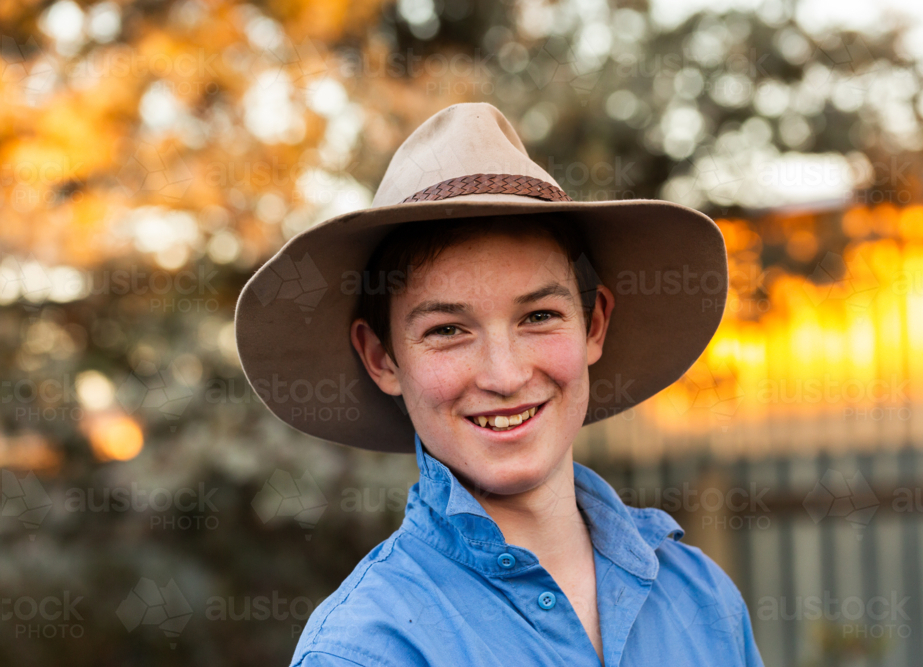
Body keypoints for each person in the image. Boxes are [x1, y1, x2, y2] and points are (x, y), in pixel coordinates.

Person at [235, 102, 764, 666]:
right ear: (382, 358)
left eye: (538, 317)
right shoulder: (367, 649)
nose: (506, 375)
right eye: (447, 330)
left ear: (595, 325)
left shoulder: (699, 598)